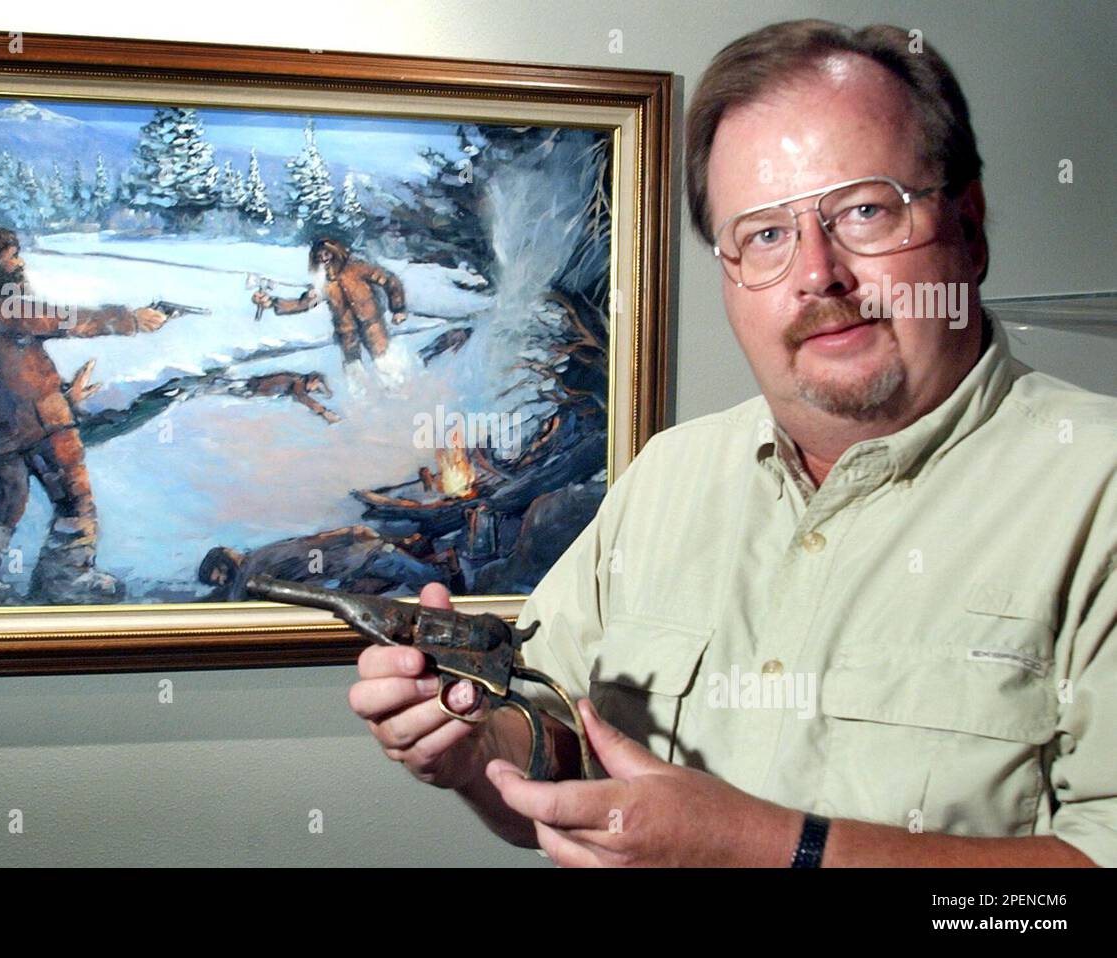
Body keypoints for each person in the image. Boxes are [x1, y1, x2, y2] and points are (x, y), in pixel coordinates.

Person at [346, 20, 1116, 866]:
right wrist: (473, 745)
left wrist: (773, 850)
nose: (818, 275)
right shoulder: (669, 477)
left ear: (969, 229)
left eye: (864, 210)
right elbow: (565, 746)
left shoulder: (1097, 489)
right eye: (765, 235)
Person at [0, 223, 170, 606]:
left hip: (5, 426)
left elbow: (6, 372)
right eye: (11, 256)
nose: (20, 263)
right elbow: (65, 319)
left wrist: (64, 393)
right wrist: (131, 319)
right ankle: (67, 576)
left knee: (8, 502)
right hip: (43, 423)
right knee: (74, 498)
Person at [252, 237, 409, 395]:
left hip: (372, 324)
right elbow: (304, 303)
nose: (324, 258)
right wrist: (272, 303)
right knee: (353, 371)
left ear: (336, 251)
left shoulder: (358, 268)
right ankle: (364, 403)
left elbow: (390, 280)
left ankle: (399, 394)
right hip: (346, 332)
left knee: (385, 362)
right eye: (319, 256)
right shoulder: (323, 282)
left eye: (326, 253)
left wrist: (398, 308)